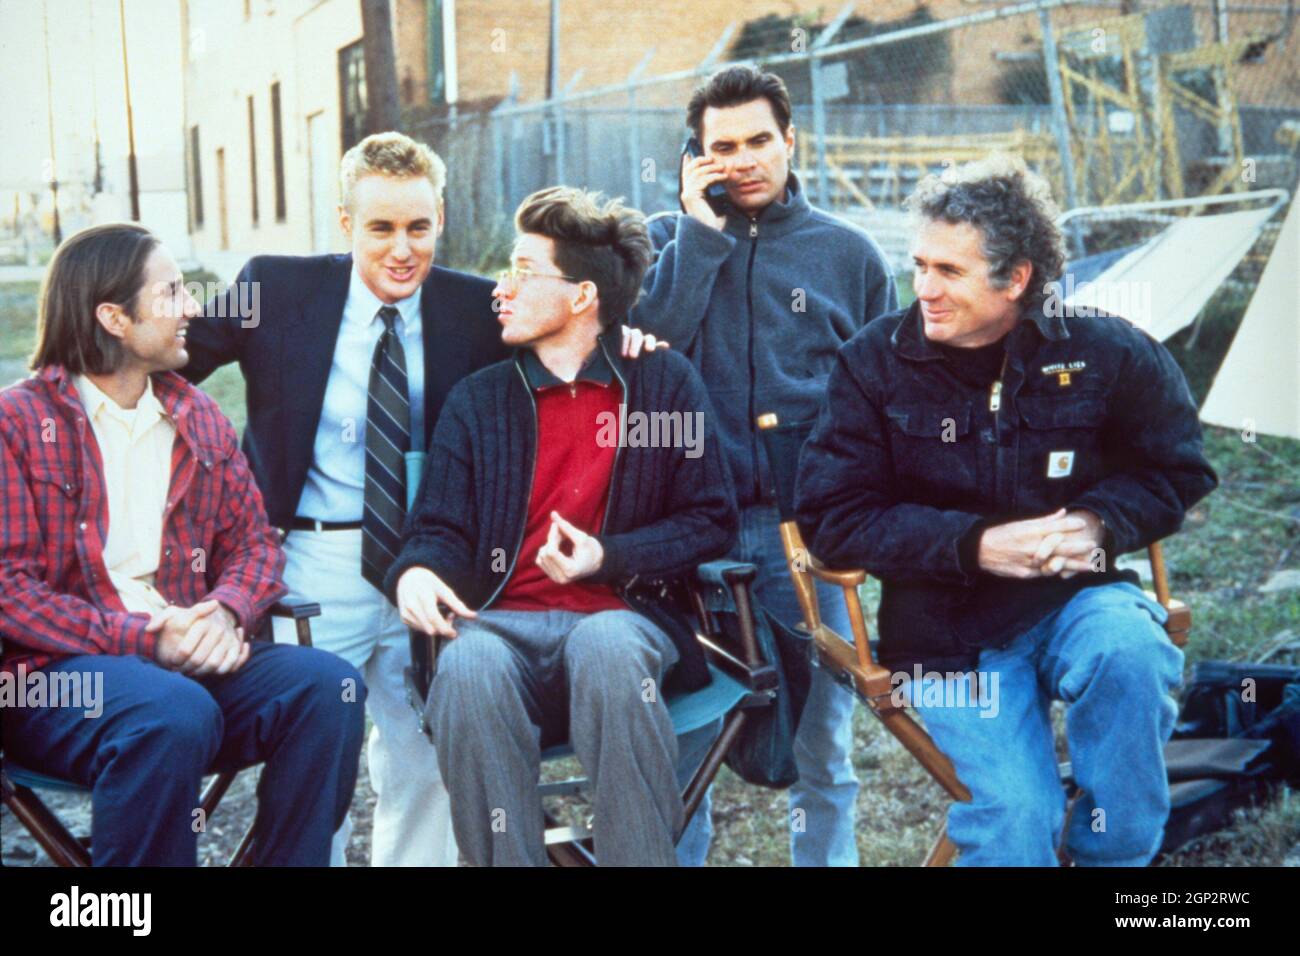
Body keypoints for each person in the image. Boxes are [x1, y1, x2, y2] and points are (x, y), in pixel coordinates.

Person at [183, 132, 663, 866]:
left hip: (439, 564)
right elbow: (174, 356)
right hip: (315, 560)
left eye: (418, 226)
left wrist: (626, 339)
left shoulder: (474, 305)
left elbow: (567, 322)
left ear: (439, 217)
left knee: (427, 759)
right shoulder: (276, 288)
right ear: (346, 224)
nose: (402, 249)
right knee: (315, 760)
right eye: (380, 228)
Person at [794, 156, 1218, 866]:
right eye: (920, 265)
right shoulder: (872, 363)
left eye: (949, 271)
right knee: (1017, 818)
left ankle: (1114, 861)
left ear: (1016, 277)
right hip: (945, 636)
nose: (923, 289)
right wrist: (975, 545)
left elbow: (1178, 468)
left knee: (1133, 651)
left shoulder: (1103, 350)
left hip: (1077, 598)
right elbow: (832, 517)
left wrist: (1096, 522)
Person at [388, 186, 737, 866]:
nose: (501, 288)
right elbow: (438, 526)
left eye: (523, 270)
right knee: (467, 667)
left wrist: (607, 556)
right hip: (499, 624)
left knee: (607, 648)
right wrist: (418, 570)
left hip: (622, 621)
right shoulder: (480, 400)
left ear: (582, 296)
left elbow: (709, 519)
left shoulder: (662, 386)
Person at [0, 223, 364, 866]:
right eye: (171, 292)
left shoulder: (197, 416)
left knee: (328, 688)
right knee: (171, 712)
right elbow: (10, 591)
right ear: (114, 317)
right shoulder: (18, 424)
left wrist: (226, 610)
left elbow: (256, 544)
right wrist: (147, 641)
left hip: (181, 672)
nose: (193, 307)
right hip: (49, 684)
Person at [631, 64, 898, 866]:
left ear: (791, 141)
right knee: (683, 739)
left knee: (822, 742)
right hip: (688, 529)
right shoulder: (662, 241)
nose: (742, 160)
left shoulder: (848, 255)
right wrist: (699, 235)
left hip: (805, 534)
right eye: (722, 148)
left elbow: (886, 400)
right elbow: (650, 349)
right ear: (694, 158)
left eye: (758, 141)